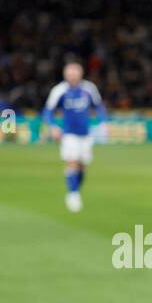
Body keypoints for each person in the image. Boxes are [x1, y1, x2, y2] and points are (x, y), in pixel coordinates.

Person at [42, 61, 106, 213]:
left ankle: (76, 189)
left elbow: (99, 106)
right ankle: (73, 194)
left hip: (86, 133)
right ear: (65, 74)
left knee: (83, 165)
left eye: (75, 72)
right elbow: (48, 111)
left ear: (80, 73)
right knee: (72, 162)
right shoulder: (59, 90)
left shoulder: (89, 88)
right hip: (68, 134)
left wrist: (103, 122)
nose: (72, 75)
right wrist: (53, 126)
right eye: (70, 73)